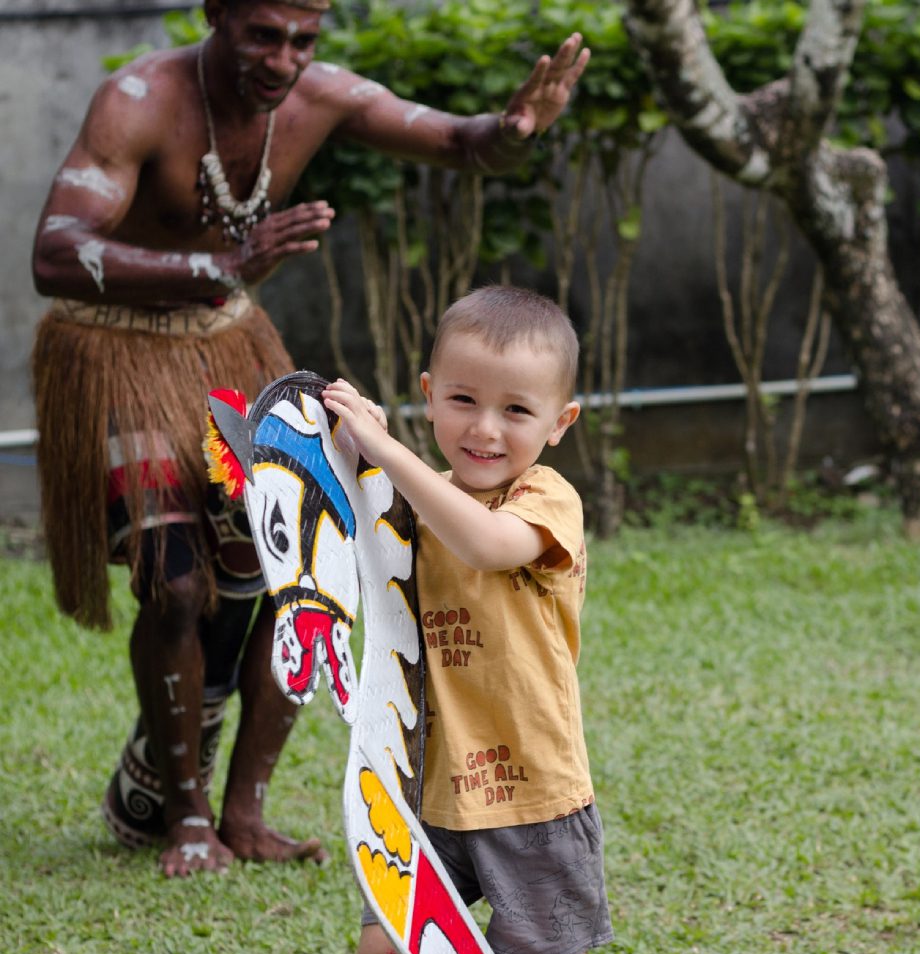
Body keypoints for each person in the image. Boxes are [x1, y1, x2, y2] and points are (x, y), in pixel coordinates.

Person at [28, 0, 589, 877]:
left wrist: (515, 128)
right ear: (217, 14)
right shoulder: (136, 100)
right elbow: (55, 252)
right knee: (175, 582)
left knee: (298, 567)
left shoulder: (321, 94)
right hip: (115, 351)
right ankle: (183, 817)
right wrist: (222, 266)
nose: (285, 58)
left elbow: (460, 141)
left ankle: (244, 809)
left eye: (303, 39)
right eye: (263, 34)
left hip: (230, 346)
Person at [322, 286, 618, 954]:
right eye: (462, 399)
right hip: (425, 786)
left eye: (516, 410)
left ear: (560, 422)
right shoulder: (413, 500)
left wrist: (386, 448)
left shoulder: (547, 500)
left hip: (530, 792)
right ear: (428, 394)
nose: (485, 428)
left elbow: (484, 543)